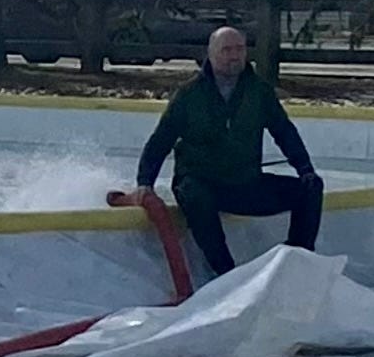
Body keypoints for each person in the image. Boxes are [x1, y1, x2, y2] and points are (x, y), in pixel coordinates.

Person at [135, 25, 325, 279]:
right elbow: (161, 139)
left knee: (311, 188)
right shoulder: (190, 94)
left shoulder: (259, 91)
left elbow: (284, 132)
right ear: (211, 54)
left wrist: (305, 169)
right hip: (202, 181)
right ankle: (225, 273)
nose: (234, 56)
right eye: (226, 50)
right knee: (195, 196)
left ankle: (296, 260)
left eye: (239, 49)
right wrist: (145, 182)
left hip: (243, 182)